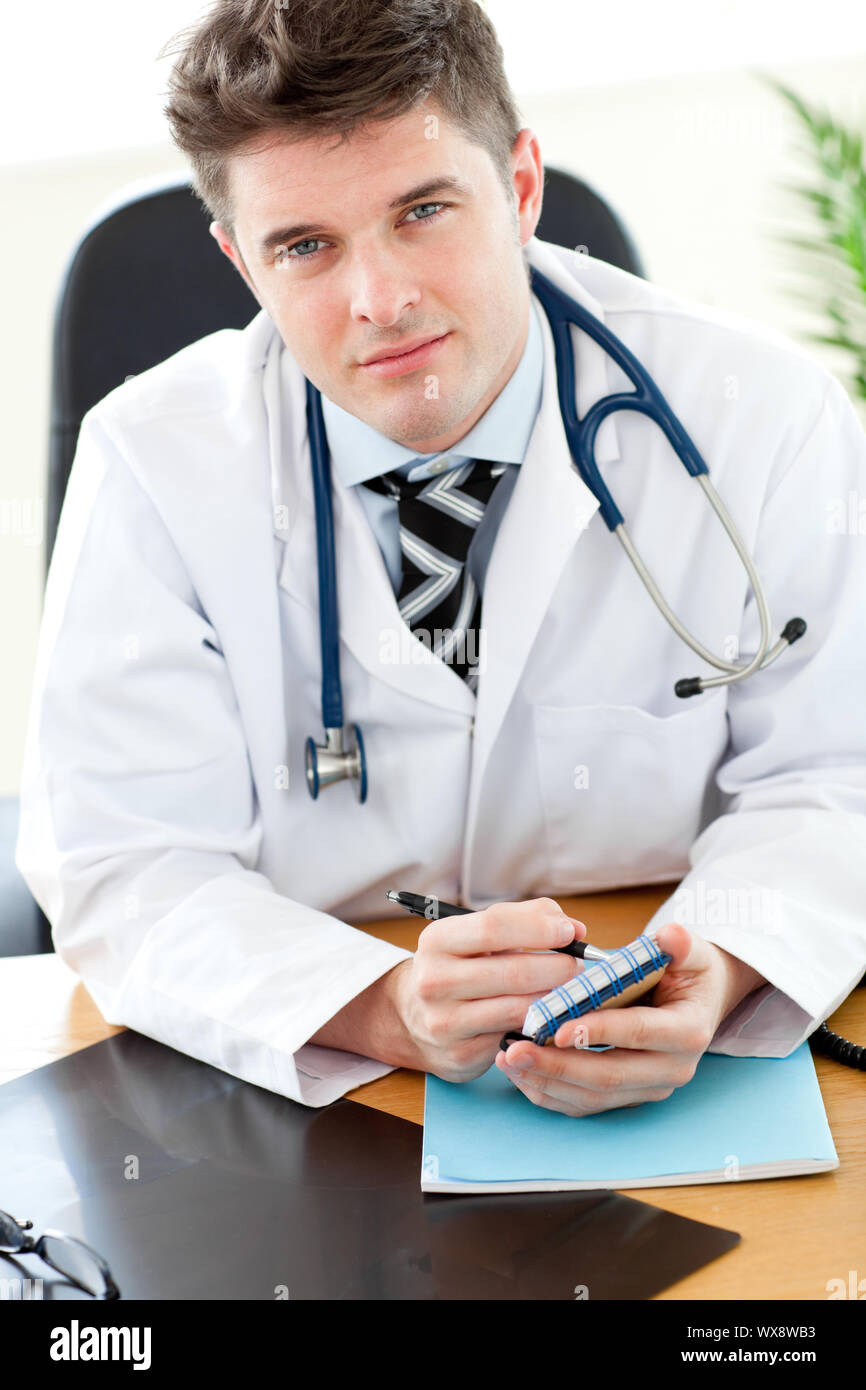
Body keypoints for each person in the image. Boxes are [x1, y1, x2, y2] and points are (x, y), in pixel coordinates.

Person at [17, 0, 866, 1111]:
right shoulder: (152, 461)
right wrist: (387, 1006)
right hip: (317, 1075)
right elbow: (124, 864)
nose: (380, 301)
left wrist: (720, 962)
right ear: (240, 261)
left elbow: (833, 778)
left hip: (673, 1060)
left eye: (421, 210)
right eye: (305, 245)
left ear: (518, 189)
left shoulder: (757, 414)